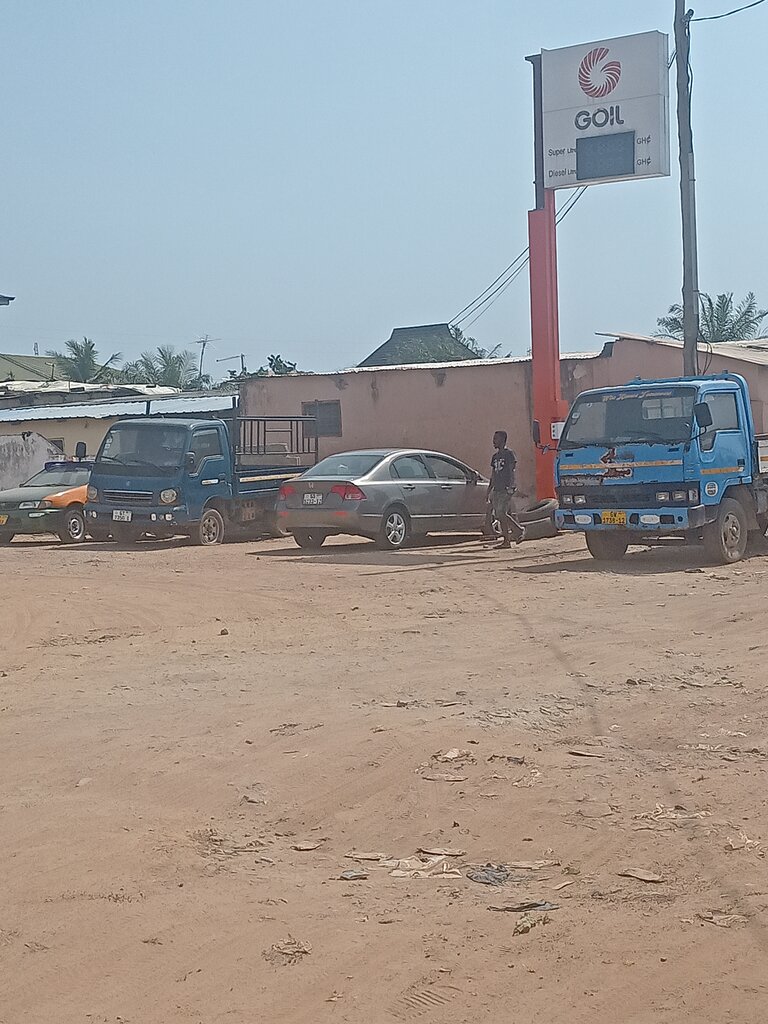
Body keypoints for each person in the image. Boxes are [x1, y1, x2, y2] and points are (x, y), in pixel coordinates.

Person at [488, 430, 524, 548]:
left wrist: (510, 486)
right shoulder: (495, 457)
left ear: (503, 440)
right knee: (499, 515)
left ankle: (515, 533)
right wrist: (489, 490)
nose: (494, 441)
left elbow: (511, 471)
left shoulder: (509, 454)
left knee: (501, 512)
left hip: (506, 488)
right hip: (497, 489)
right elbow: (493, 474)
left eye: (496, 439)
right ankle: (510, 537)